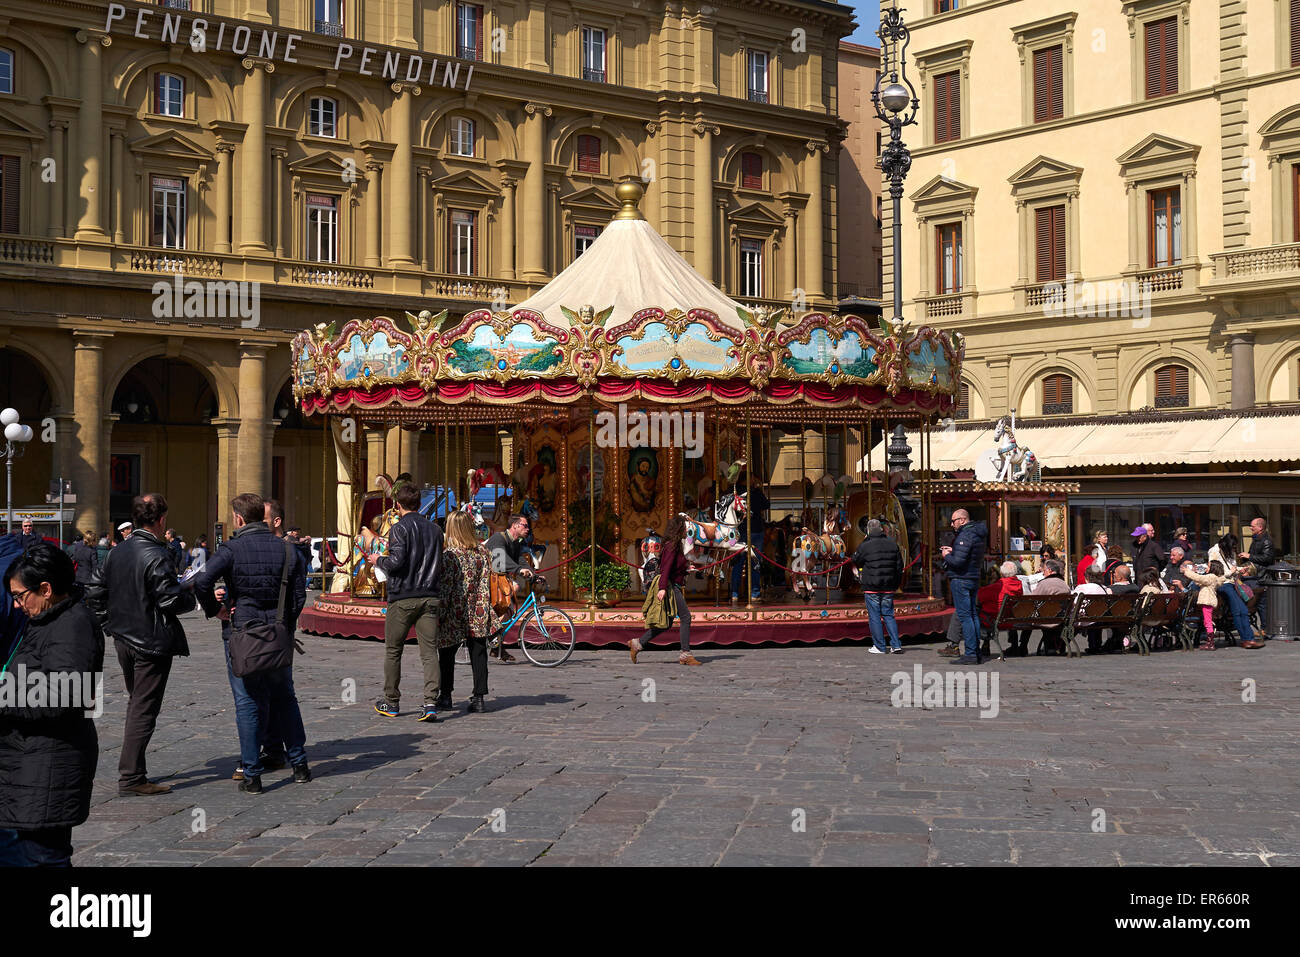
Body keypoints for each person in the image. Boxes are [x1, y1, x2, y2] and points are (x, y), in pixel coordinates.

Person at [195, 493, 311, 793]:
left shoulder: (231, 548)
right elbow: (299, 594)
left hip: (242, 631)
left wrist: (214, 609)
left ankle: (252, 774)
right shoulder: (288, 550)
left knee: (247, 700)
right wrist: (285, 622)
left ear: (239, 518)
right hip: (277, 632)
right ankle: (299, 764)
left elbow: (202, 581)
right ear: (263, 515)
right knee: (285, 697)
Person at [0, 544, 104, 866]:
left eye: (20, 596)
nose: (17, 605)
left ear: (45, 589)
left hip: (47, 768)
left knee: (39, 857)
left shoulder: (73, 624)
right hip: (28, 765)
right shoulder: (47, 619)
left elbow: (68, 693)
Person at [85, 493, 195, 797]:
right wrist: (189, 591)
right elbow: (170, 600)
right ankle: (131, 776)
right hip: (150, 641)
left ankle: (136, 770)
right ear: (161, 520)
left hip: (124, 639)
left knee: (138, 703)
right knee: (143, 708)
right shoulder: (156, 555)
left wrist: (109, 623)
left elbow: (94, 590)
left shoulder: (117, 552)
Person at [371, 482, 445, 721]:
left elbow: (397, 562)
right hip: (430, 596)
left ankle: (391, 701)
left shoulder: (399, 528)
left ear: (398, 505)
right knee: (429, 652)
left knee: (393, 650)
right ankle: (431, 701)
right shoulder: (435, 530)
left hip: (403, 596)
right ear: (419, 503)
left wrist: (377, 560)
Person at [436, 510, 500, 713]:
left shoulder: (450, 555)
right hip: (479, 607)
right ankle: (479, 697)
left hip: (455, 608)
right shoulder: (483, 552)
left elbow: (446, 587)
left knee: (446, 653)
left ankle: (445, 695)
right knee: (479, 652)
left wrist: (440, 612)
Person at [630, 514, 701, 666]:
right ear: (679, 529)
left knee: (666, 623)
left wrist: (687, 568)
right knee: (686, 617)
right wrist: (662, 588)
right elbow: (666, 568)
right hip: (669, 586)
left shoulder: (676, 544)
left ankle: (637, 644)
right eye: (685, 527)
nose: (687, 530)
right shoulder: (671, 546)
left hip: (671, 584)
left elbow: (675, 566)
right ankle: (685, 654)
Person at [940, 508, 988, 665]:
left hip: (961, 578)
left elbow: (959, 561)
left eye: (953, 521)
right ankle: (975, 651)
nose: (952, 524)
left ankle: (971, 653)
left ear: (962, 520)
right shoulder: (976, 534)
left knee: (965, 616)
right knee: (973, 615)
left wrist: (947, 555)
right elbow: (967, 554)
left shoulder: (965, 534)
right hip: (973, 576)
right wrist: (955, 551)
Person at [484, 514, 532, 661]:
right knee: (514, 589)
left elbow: (519, 560)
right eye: (525, 525)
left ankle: (496, 646)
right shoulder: (499, 538)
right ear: (515, 526)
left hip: (498, 579)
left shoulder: (516, 542)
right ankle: (491, 638)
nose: (528, 529)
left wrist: (533, 574)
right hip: (487, 579)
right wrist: (518, 570)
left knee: (507, 614)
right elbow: (500, 560)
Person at [854, 518, 905, 655]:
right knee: (889, 615)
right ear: (882, 529)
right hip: (888, 585)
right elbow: (899, 566)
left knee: (875, 616)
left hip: (872, 585)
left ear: (868, 530)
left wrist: (865, 540)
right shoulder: (892, 544)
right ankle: (896, 645)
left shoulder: (866, 545)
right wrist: (895, 583)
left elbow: (856, 560)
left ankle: (880, 646)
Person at [1207, 533, 1259, 648]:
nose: (1234, 550)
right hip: (1223, 584)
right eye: (1233, 547)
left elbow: (1231, 567)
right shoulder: (1214, 552)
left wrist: (1240, 569)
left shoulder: (1228, 551)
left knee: (1243, 610)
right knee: (1238, 610)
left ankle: (1249, 638)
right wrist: (1232, 572)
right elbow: (1215, 571)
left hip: (1232, 583)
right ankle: (1246, 639)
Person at [978, 561, 1025, 656]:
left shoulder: (998, 586)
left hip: (996, 619)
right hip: (1011, 619)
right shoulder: (1018, 585)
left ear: (1002, 573)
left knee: (980, 612)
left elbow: (980, 596)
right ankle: (1014, 645)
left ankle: (985, 644)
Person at [1182, 560, 1227, 651]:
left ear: (1213, 568)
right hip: (1208, 602)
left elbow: (1199, 578)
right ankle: (1209, 642)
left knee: (1208, 622)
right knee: (1207, 621)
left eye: (1209, 566)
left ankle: (1210, 643)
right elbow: (1200, 581)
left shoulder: (1211, 577)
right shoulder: (1214, 578)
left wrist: (1187, 571)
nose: (1207, 568)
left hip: (1207, 602)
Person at [1240, 518, 1275, 631]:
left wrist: (1249, 556)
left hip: (1262, 577)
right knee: (1258, 603)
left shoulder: (1266, 541)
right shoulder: (1256, 539)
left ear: (1260, 527)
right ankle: (1264, 628)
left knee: (1262, 604)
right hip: (1255, 575)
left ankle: (1266, 629)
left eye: (1253, 526)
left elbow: (1267, 558)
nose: (1251, 528)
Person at [1072, 566, 1111, 654]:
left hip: (1084, 618)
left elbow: (1073, 602)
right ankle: (1095, 646)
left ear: (1087, 576)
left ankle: (1060, 644)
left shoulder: (1082, 588)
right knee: (1095, 615)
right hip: (1100, 618)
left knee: (1075, 616)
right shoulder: (1105, 588)